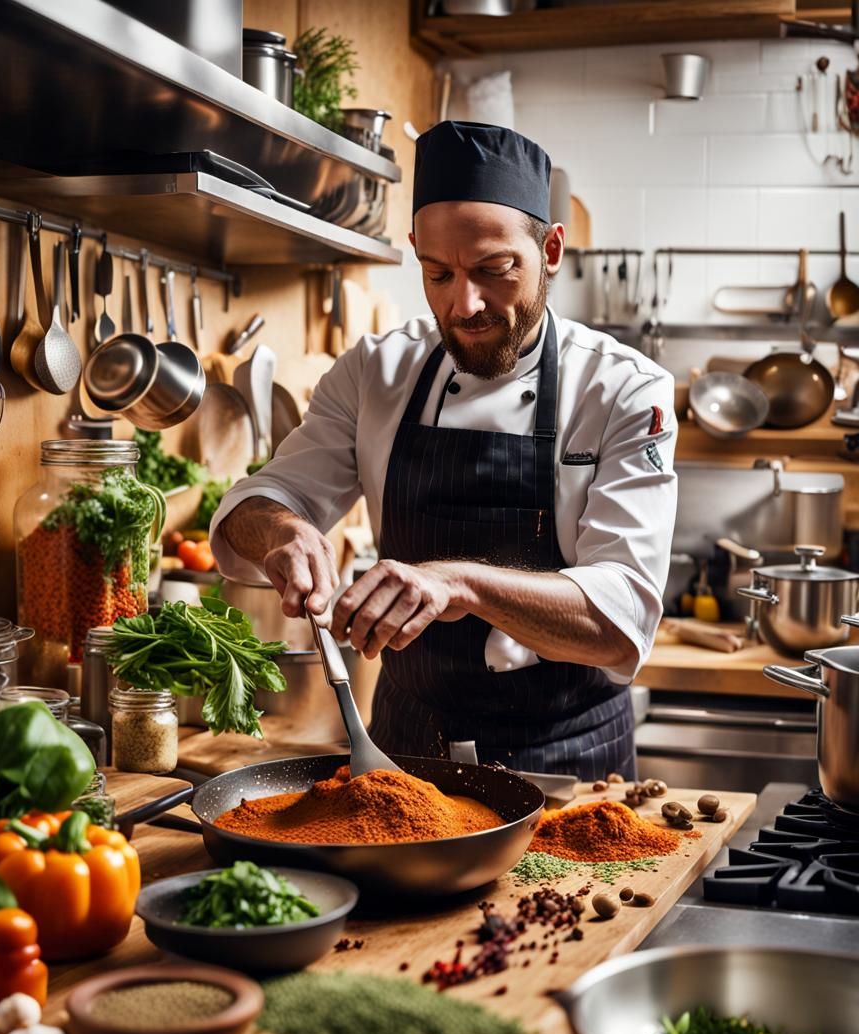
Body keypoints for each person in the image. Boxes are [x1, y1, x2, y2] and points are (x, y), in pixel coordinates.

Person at [210, 120, 677, 780]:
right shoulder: (375, 373)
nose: (466, 304)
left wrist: (455, 582)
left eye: (495, 270)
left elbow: (620, 617)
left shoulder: (622, 390)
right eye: (439, 273)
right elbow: (254, 507)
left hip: (569, 762)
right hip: (402, 751)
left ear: (550, 248)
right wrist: (285, 534)